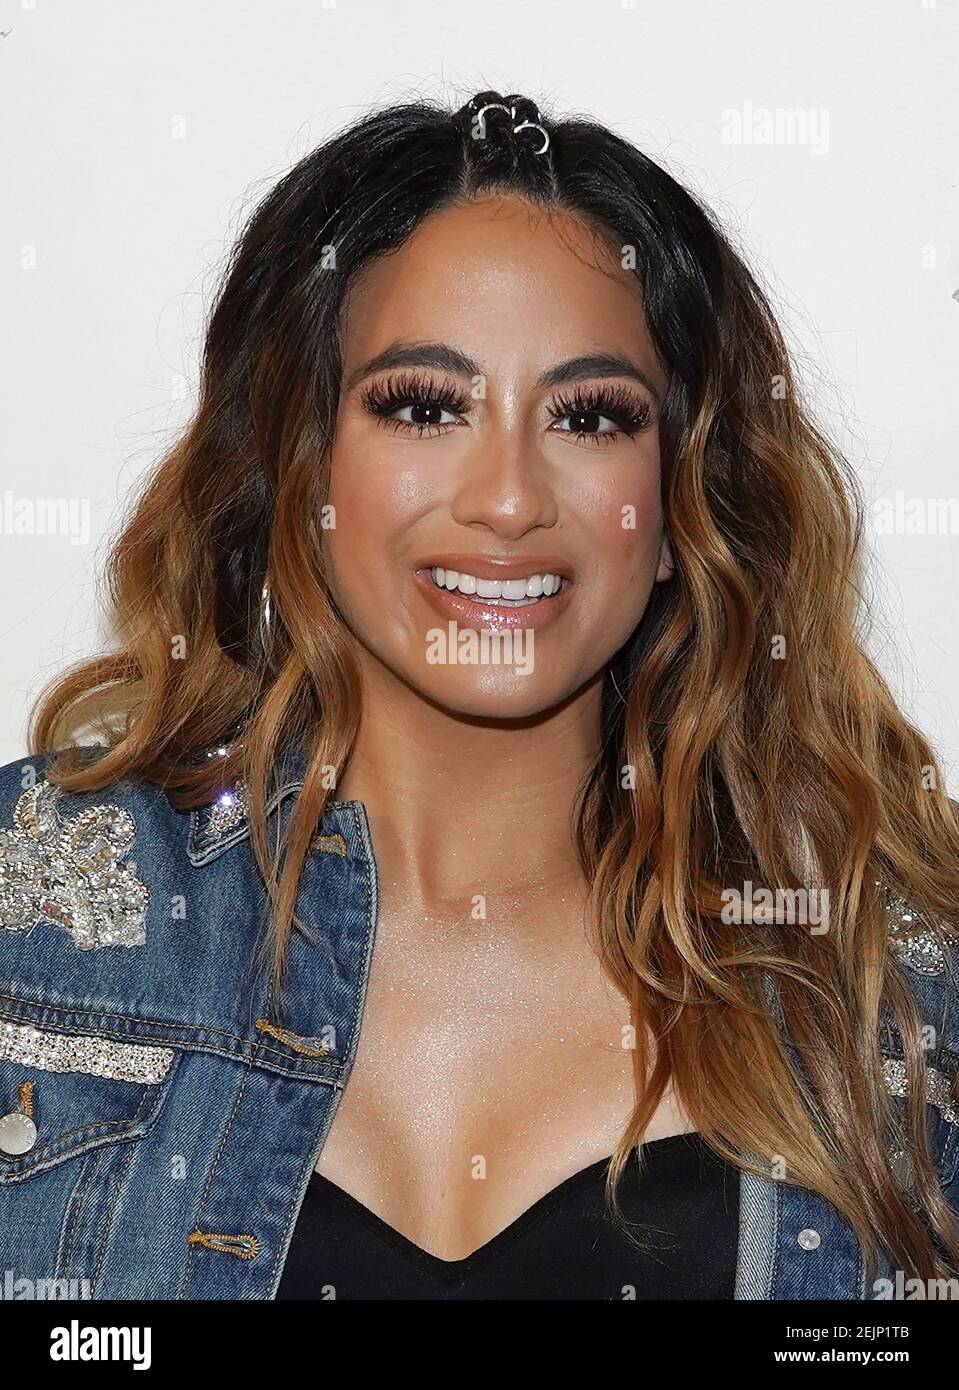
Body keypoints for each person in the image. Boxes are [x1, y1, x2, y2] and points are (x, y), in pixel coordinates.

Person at [1, 89, 957, 1301]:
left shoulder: (891, 972)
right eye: (423, 405)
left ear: (676, 510)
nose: (507, 498)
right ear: (302, 472)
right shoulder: (26, 916)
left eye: (590, 415)